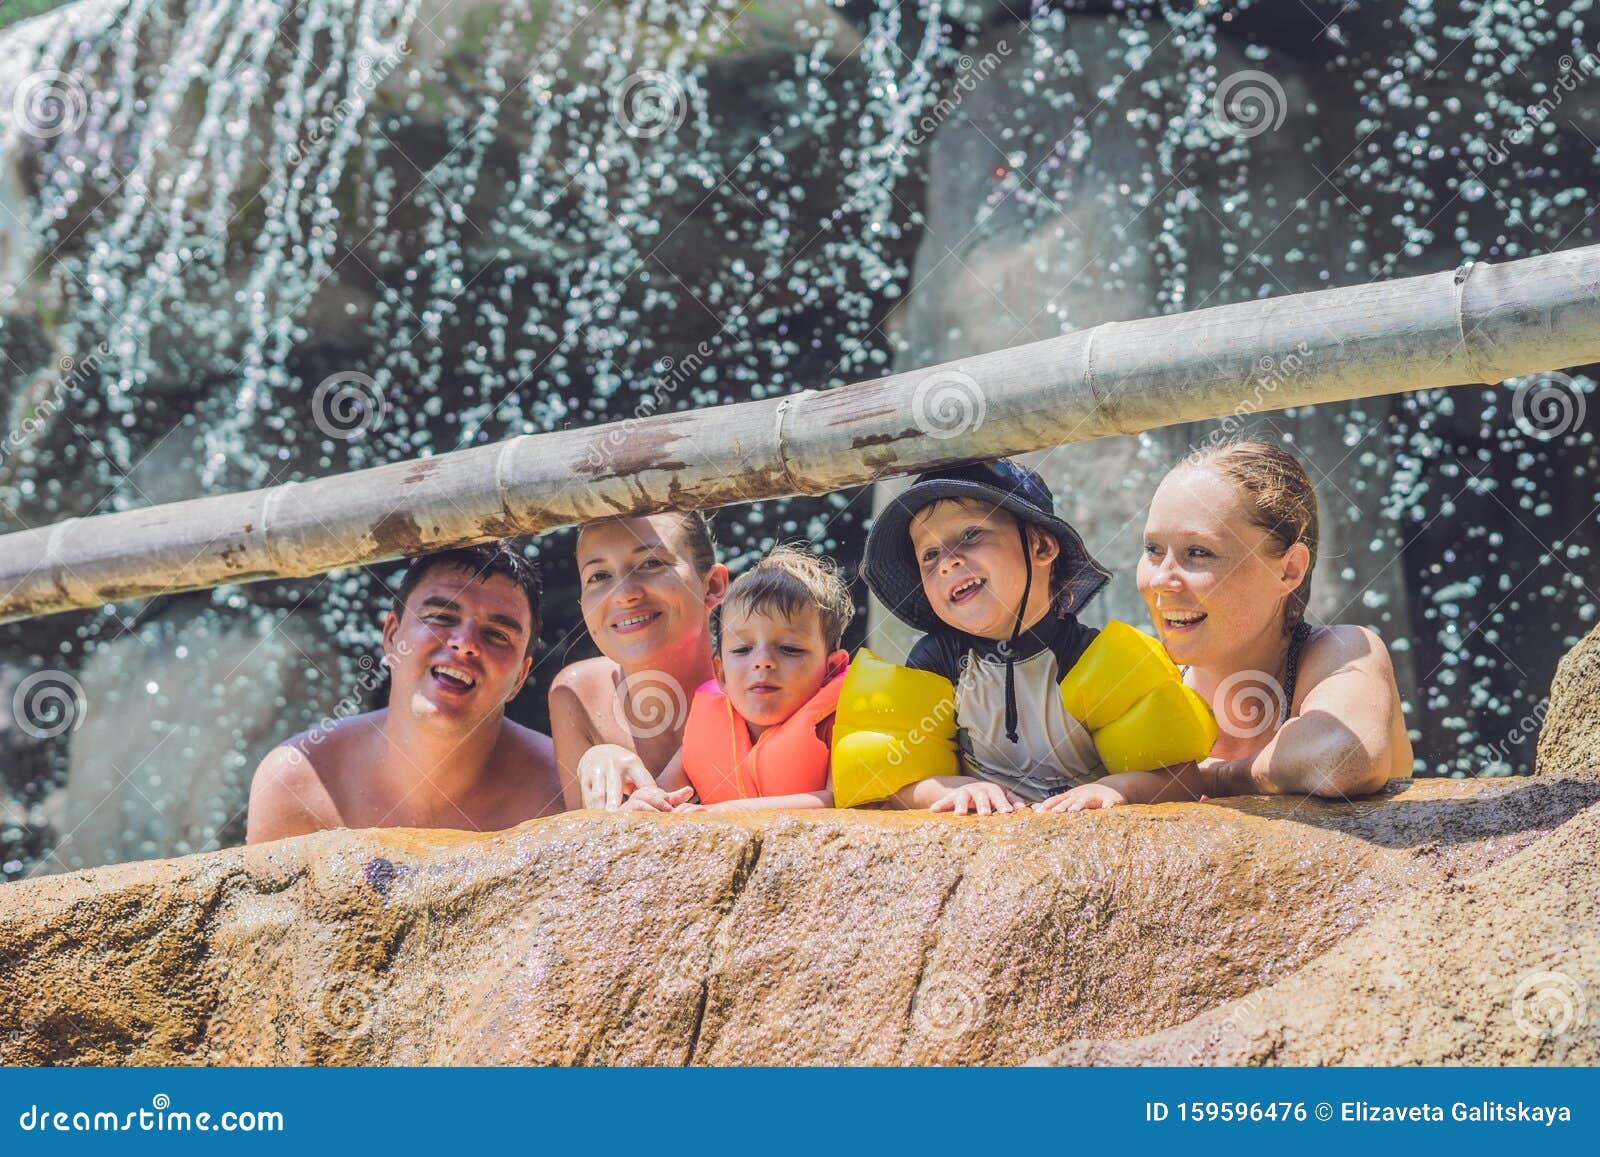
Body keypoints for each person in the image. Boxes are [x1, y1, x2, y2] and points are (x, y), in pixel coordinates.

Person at [832, 459, 1216, 815]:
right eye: (929, 554)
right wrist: (951, 790)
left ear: (1041, 546)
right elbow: (893, 784)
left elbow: (1182, 779)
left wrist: (1119, 789)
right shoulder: (937, 663)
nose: (947, 561)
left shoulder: (1094, 658)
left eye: (970, 534)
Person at [1138, 440, 1413, 799]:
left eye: (1199, 552)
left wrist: (1215, 778)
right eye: (1153, 550)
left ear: (1289, 570)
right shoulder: (1143, 683)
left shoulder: (1340, 653)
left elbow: (1343, 759)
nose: (1161, 580)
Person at [245, 542, 559, 842]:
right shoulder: (299, 782)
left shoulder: (560, 796)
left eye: (496, 635)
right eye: (441, 617)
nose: (465, 644)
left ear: (520, 678)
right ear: (392, 636)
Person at [613, 545, 854, 812]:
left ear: (831, 668)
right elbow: (663, 796)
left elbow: (838, 802)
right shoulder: (709, 724)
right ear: (721, 674)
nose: (762, 661)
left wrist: (721, 814)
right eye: (742, 649)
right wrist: (644, 803)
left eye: (789, 649)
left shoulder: (840, 723)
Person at [548, 512, 728, 810]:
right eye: (599, 576)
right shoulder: (578, 694)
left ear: (712, 586)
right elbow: (584, 836)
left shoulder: (766, 679)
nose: (624, 594)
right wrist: (595, 757)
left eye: (651, 563)